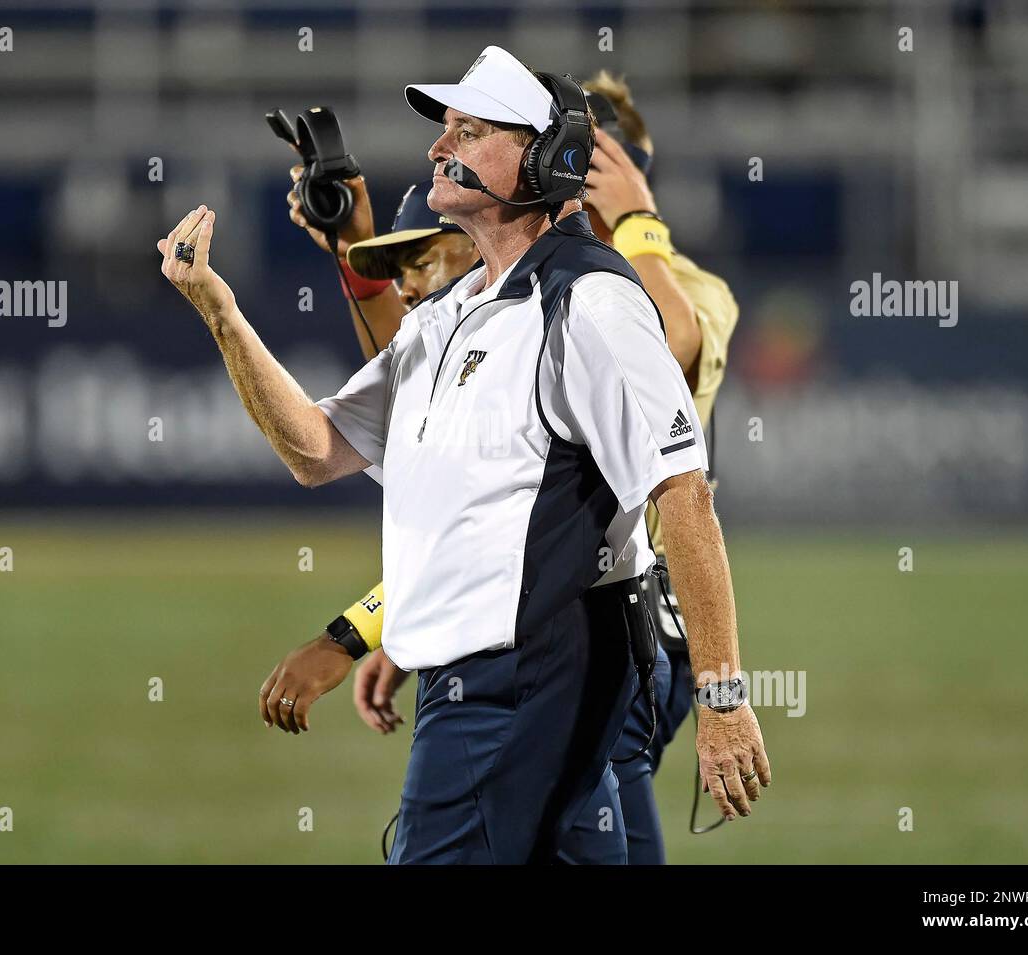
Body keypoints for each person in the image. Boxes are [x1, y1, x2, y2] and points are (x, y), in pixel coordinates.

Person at [158, 45, 769, 864]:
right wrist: (222, 312)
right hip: (483, 678)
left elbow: (683, 496)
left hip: (528, 678)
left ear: (548, 159)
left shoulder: (589, 301)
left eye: (470, 130)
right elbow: (315, 448)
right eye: (444, 129)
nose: (439, 147)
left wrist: (725, 698)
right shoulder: (452, 313)